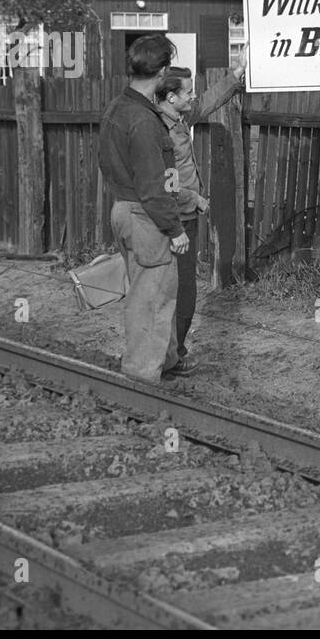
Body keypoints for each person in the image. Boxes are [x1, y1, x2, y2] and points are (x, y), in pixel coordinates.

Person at [97, 34, 189, 384]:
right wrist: (175, 229)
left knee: (148, 290)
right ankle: (140, 381)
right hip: (146, 216)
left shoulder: (116, 108)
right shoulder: (145, 121)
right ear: (163, 71)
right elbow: (154, 188)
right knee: (151, 300)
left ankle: (162, 363)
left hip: (123, 209)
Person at [154, 60, 247, 370]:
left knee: (183, 290)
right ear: (170, 97)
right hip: (174, 219)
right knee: (178, 291)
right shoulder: (157, 129)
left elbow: (207, 102)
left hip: (186, 218)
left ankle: (172, 353)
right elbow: (160, 185)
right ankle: (170, 357)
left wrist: (235, 76)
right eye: (188, 92)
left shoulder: (179, 117)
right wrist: (195, 198)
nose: (193, 97)